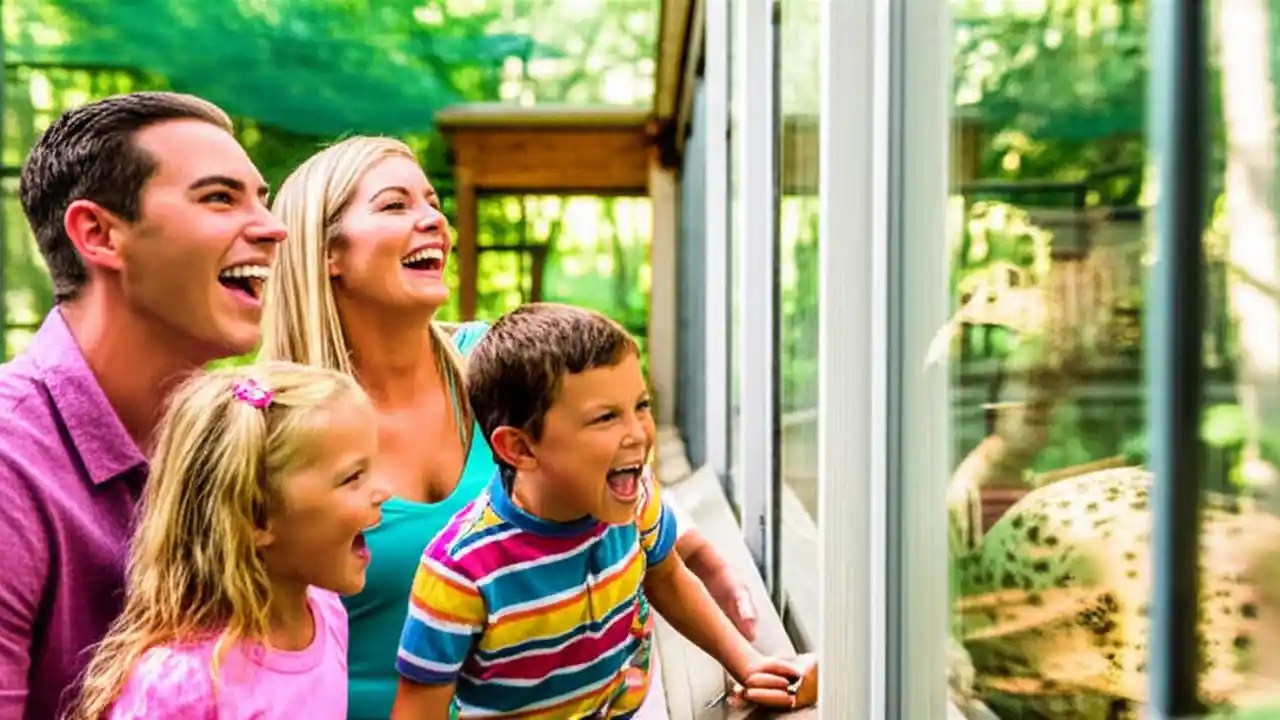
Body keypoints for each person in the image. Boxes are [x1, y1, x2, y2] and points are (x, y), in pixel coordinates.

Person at [259, 136, 757, 719]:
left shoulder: (494, 363)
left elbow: (602, 466)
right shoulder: (271, 427)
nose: (432, 221)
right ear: (326, 253)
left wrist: (691, 543)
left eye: (432, 202)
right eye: (395, 206)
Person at [0, 91, 287, 720]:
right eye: (219, 198)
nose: (273, 227)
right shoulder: (10, 466)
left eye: (260, 197)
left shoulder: (248, 439)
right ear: (99, 234)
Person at [392, 303, 816, 719]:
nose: (637, 433)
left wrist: (746, 662)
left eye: (642, 406)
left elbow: (666, 576)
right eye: (606, 418)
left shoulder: (634, 500)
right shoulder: (460, 573)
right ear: (519, 448)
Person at [65, 362, 389, 719]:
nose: (383, 491)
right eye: (353, 477)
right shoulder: (180, 687)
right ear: (256, 516)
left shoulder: (326, 614)